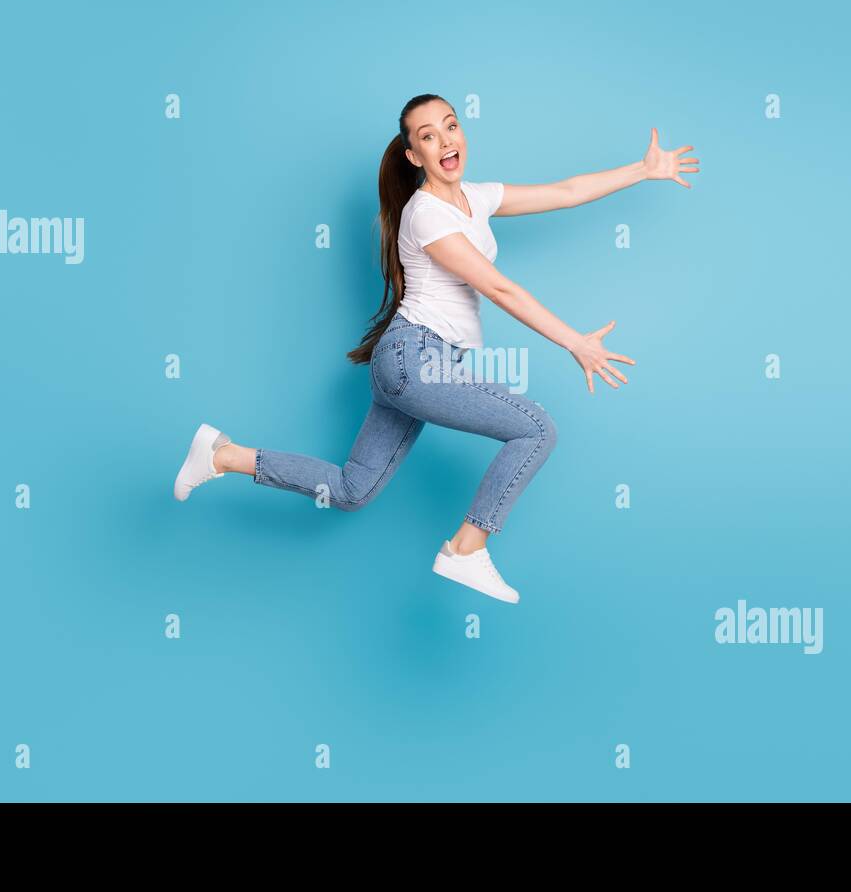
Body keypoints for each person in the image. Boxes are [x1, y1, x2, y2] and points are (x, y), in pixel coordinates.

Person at [174, 93, 697, 603]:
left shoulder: (478, 197)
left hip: (409, 367)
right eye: (428, 135)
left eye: (451, 125)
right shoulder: (424, 213)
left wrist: (642, 170)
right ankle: (466, 549)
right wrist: (574, 342)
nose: (446, 139)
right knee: (536, 429)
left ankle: (223, 455)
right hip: (415, 361)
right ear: (413, 155)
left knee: (353, 490)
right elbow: (499, 288)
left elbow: (564, 190)